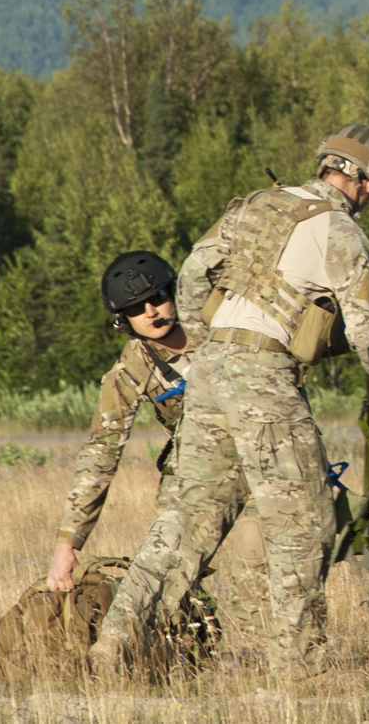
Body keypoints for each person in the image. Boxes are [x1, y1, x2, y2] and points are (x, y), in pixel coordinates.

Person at [90, 124, 369, 676]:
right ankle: (298, 663)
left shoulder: (256, 205)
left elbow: (190, 273)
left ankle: (117, 638)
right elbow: (367, 330)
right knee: (304, 520)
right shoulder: (341, 231)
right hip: (263, 375)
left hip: (210, 373)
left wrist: (212, 350)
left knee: (188, 520)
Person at [46, 252, 268, 632]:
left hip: (264, 453)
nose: (151, 311)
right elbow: (101, 453)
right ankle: (189, 638)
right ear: (122, 318)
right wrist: (68, 543)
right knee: (170, 562)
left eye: (157, 297)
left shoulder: (222, 323)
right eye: (135, 307)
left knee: (265, 560)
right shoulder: (131, 370)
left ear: (174, 293)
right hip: (197, 469)